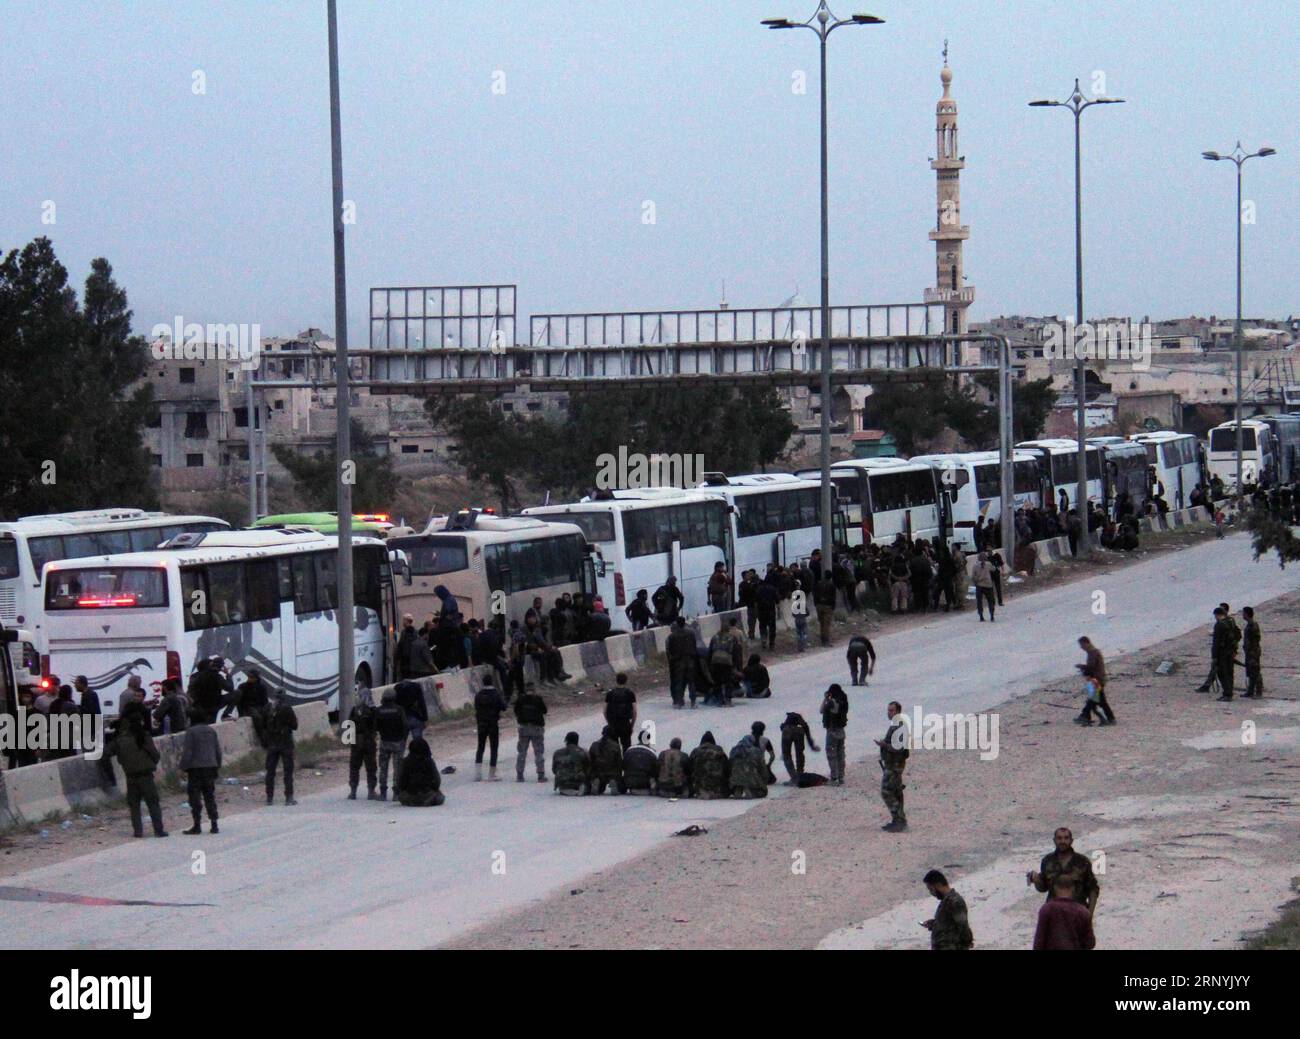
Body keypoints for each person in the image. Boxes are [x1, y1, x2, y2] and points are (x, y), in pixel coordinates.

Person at [114, 702, 168, 839]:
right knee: (153, 803)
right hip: (146, 775)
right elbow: (155, 755)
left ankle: (138, 831)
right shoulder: (144, 737)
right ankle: (158, 830)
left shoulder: (122, 740)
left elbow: (120, 759)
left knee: (134, 805)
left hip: (131, 776)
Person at [1026, 827, 1101, 914]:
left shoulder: (1082, 862)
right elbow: (1043, 888)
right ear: (1054, 840)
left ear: (1071, 841)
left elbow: (1093, 889)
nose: (1063, 841)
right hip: (1054, 914)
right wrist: (1036, 879)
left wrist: (1090, 914)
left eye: (1066, 838)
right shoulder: (1047, 861)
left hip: (1077, 913)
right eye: (1059, 838)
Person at [179, 708, 222, 835]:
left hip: (195, 769)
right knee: (210, 796)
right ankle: (214, 824)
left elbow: (188, 752)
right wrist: (217, 765)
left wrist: (182, 767)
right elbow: (217, 750)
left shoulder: (191, 732)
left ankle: (197, 825)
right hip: (210, 767)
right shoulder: (211, 731)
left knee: (195, 797)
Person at [1032, 876, 1096, 950]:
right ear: (1073, 889)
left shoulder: (1046, 910)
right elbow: (1090, 943)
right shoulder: (1083, 912)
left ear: (1055, 888)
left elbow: (1038, 942)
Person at [874, 701, 909, 831]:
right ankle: (899, 819)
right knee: (896, 791)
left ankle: (898, 819)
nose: (889, 713)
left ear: (898, 712)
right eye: (888, 710)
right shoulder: (896, 725)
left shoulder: (899, 726)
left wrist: (884, 745)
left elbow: (898, 748)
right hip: (893, 764)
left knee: (887, 791)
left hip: (895, 765)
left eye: (892, 711)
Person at [922, 870, 973, 950]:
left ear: (938, 885)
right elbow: (948, 924)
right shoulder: (946, 901)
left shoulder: (955, 902)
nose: (931, 893)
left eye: (931, 889)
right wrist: (934, 924)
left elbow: (963, 928)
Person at [263, 692, 298, 806]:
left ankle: (269, 798)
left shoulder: (268, 708)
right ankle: (289, 797)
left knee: (270, 771)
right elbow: (295, 725)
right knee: (288, 771)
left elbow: (263, 724)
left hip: (272, 744)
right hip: (285, 743)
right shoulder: (287, 708)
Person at [473, 672, 509, 782]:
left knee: (480, 747)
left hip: (481, 723)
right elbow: (503, 707)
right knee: (494, 748)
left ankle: (478, 774)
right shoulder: (496, 694)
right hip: (493, 723)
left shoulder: (478, 694)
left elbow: (476, 708)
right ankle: (491, 773)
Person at [375, 688, 408, 801]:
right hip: (398, 742)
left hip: (384, 742)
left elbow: (375, 727)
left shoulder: (379, 711)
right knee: (397, 768)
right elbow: (405, 726)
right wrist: (403, 739)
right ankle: (396, 793)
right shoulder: (399, 710)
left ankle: (383, 792)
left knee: (383, 768)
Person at [346, 687, 379, 800]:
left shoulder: (354, 710)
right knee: (371, 768)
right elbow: (377, 726)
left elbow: (348, 726)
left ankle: (353, 791)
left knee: (354, 767)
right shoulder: (373, 710)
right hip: (369, 742)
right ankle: (371, 791)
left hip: (356, 743)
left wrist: (350, 742)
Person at [1074, 636, 1115, 725]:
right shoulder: (1092, 652)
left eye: (1082, 645)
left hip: (1096, 679)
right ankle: (1109, 718)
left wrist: (1082, 666)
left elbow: (1091, 667)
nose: (1081, 647)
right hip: (1096, 679)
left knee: (1093, 699)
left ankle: (1085, 716)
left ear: (1087, 643)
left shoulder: (1093, 652)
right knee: (1098, 700)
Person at [513, 681, 548, 783]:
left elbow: (516, 711)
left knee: (522, 752)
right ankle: (540, 775)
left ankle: (520, 775)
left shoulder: (520, 699)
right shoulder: (538, 699)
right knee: (538, 752)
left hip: (524, 728)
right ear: (534, 689)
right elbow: (545, 711)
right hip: (537, 728)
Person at [396, 736, 445, 807]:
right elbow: (437, 780)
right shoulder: (429, 761)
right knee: (440, 797)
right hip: (427, 793)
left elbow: (400, 781)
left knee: (402, 796)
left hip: (410, 794)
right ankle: (425, 800)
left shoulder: (406, 762)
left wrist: (404, 790)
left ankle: (413, 801)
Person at [665, 618, 698, 709]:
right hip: (690, 661)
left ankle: (679, 702)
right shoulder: (691, 633)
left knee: (679, 682)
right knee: (691, 682)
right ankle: (693, 702)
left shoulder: (672, 636)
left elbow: (670, 650)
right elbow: (694, 646)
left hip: (678, 662)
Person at [779, 711, 819, 785]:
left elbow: (782, 727)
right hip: (799, 732)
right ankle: (800, 774)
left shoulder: (786, 725)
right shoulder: (801, 723)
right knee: (799, 753)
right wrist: (811, 745)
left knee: (786, 755)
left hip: (787, 731)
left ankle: (794, 778)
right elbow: (806, 730)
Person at [821, 684, 849, 786]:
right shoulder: (844, 702)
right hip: (841, 730)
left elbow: (821, 710)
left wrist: (825, 699)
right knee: (840, 754)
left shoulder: (832, 702)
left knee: (831, 754)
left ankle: (834, 777)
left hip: (832, 730)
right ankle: (841, 776)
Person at [728, 728, 768, 799]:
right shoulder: (756, 751)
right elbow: (762, 769)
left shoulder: (733, 750)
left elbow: (729, 766)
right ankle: (749, 788)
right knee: (763, 792)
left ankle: (738, 788)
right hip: (751, 777)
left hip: (735, 778)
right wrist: (764, 780)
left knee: (739, 777)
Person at [689, 731, 730, 799]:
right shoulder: (719, 750)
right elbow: (727, 767)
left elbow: (689, 768)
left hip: (700, 784)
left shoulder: (696, 751)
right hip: (718, 784)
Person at [604, 672, 637, 752]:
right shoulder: (630, 693)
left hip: (614, 724)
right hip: (625, 724)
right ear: (626, 681)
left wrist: (609, 723)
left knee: (614, 749)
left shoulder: (610, 693)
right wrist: (631, 725)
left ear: (616, 681)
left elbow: (604, 711)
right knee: (626, 748)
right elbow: (634, 712)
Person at [588, 726, 626, 795]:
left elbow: (590, 762)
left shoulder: (594, 745)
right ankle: (613, 781)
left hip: (597, 773)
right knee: (622, 789)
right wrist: (619, 778)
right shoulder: (615, 746)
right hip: (611, 773)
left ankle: (596, 780)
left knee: (600, 790)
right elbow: (619, 763)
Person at [1211, 606, 1238, 701]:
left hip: (1222, 653)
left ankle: (1227, 694)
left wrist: (1214, 656)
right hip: (1230, 652)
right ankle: (1229, 692)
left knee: (1222, 673)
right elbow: (1237, 635)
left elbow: (1216, 642)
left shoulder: (1219, 625)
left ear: (1217, 615)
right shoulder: (1230, 621)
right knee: (1230, 673)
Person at [622, 728, 659, 794]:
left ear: (638, 738)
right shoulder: (652, 753)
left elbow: (623, 766)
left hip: (628, 782)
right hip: (644, 783)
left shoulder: (629, 750)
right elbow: (656, 771)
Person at [1242, 606, 1263, 698]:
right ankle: (1250, 691)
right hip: (1250, 652)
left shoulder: (1252, 625)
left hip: (1253, 652)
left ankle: (1258, 692)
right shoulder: (1250, 624)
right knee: (1250, 672)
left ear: (1246, 614)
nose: (1242, 615)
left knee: (1255, 671)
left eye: (1243, 613)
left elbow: (1254, 641)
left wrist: (1251, 652)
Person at [971, 552, 997, 622]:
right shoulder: (988, 564)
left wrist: (976, 581)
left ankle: (981, 616)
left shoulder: (975, 565)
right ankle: (992, 616)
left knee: (979, 601)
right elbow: (994, 569)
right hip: (988, 585)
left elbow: (973, 577)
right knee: (991, 601)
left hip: (979, 585)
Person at [814, 570, 837, 646]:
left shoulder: (819, 584)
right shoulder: (832, 585)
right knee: (826, 624)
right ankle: (826, 641)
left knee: (822, 623)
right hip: (828, 606)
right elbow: (833, 597)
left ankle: (822, 640)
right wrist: (833, 606)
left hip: (819, 606)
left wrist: (816, 604)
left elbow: (815, 594)